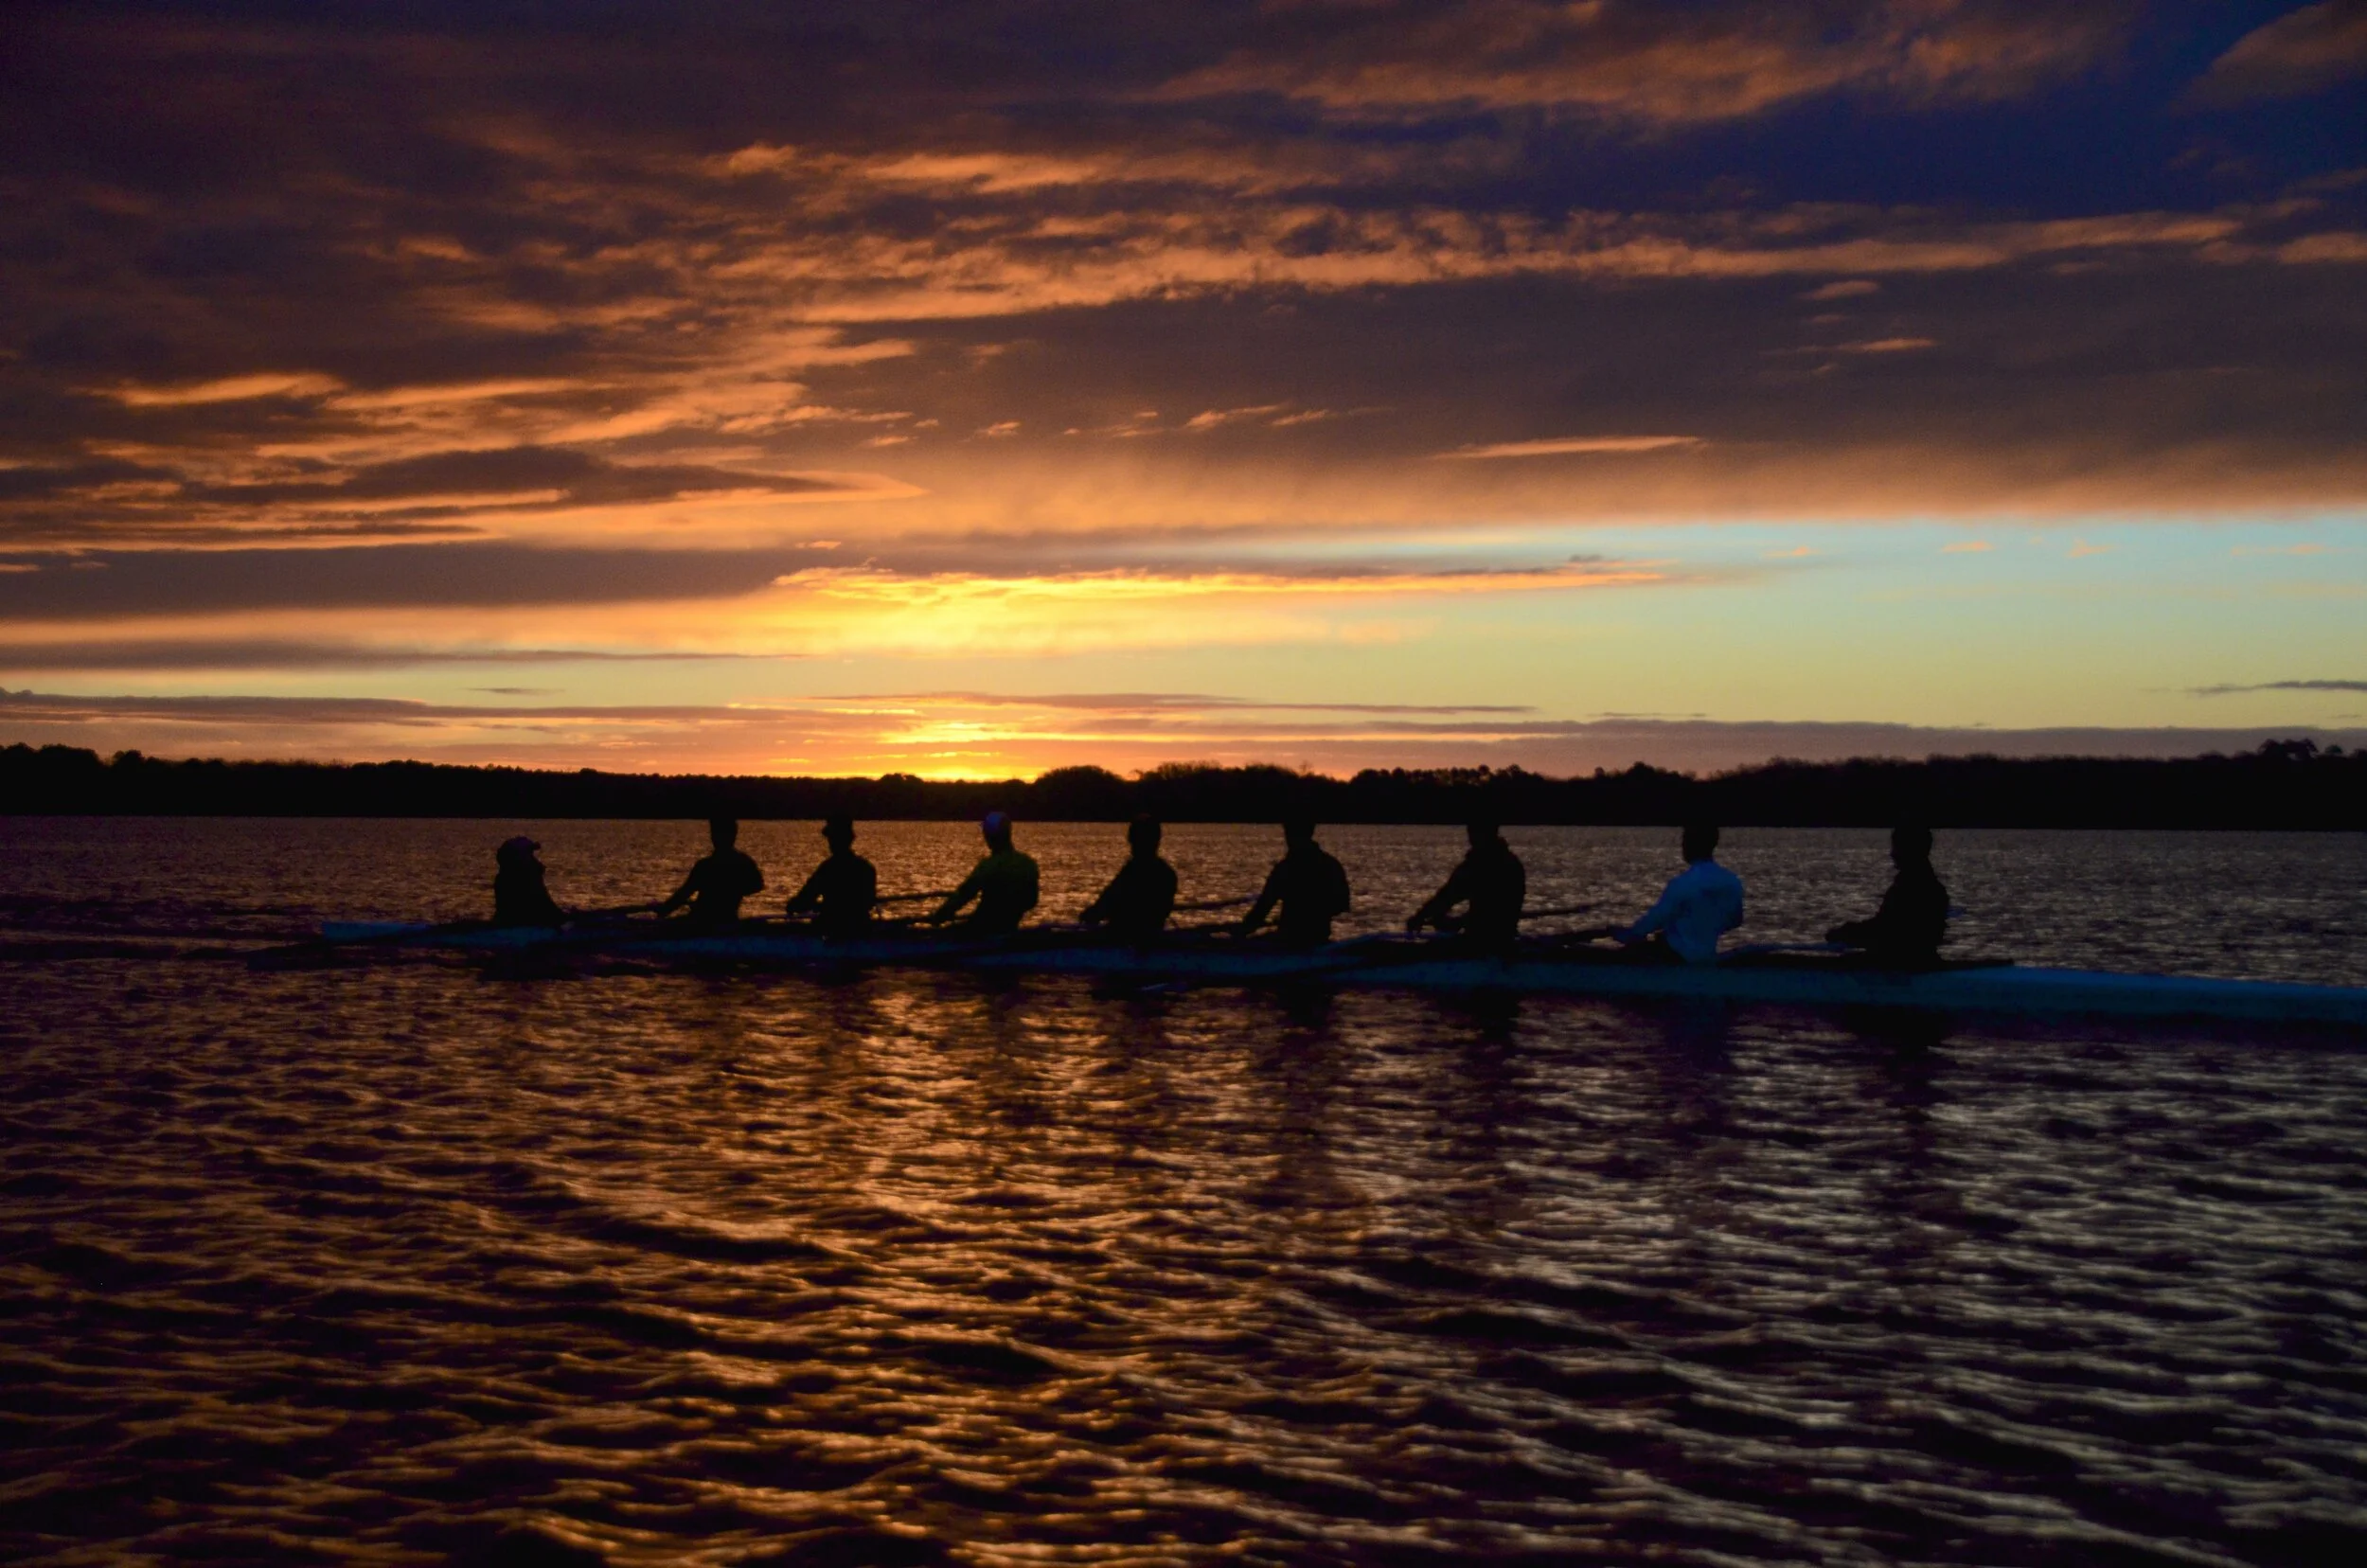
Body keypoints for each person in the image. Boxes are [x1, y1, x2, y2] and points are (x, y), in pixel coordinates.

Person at [1614, 823, 1743, 965]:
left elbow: (1654, 920)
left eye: (1684, 841)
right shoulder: (1732, 882)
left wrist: (1625, 935)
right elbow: (1735, 920)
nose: (1682, 846)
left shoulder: (1683, 883)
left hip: (1673, 956)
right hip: (1706, 954)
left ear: (1689, 844)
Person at [1826, 826, 1949, 967]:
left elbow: (1886, 931)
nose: (1892, 854)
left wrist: (1846, 933)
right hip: (1917, 960)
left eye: (1897, 848)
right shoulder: (1929, 887)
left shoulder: (1913, 890)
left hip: (1902, 962)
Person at [1407, 820, 1526, 948]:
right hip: (1504, 937)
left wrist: (1421, 917)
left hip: (1483, 940)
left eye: (1474, 832)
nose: (1471, 838)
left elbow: (1448, 896)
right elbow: (1450, 896)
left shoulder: (1478, 865)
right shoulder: (1512, 862)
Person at [1238, 819, 1351, 948]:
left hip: (1290, 939)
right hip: (1318, 938)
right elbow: (1342, 905)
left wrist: (1241, 932)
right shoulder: (1331, 864)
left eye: (1290, 833)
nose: (1288, 839)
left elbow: (1263, 907)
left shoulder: (1285, 868)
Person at [931, 811, 1040, 935]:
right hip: (1010, 926)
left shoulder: (988, 865)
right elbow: (1032, 900)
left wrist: (940, 915)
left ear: (989, 836)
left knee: (944, 934)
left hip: (982, 928)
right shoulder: (1028, 863)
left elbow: (965, 894)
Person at [1079, 815, 1179, 942]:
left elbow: (1110, 900)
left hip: (1126, 936)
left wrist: (1093, 914)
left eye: (1135, 840)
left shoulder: (1133, 872)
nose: (1132, 846)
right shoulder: (1167, 874)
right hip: (1147, 934)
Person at [657, 816, 765, 928]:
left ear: (732, 835)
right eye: (715, 833)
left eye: (719, 833)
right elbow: (757, 885)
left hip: (703, 921)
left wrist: (664, 910)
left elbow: (685, 893)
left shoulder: (706, 866)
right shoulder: (743, 862)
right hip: (725, 920)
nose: (715, 838)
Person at [783, 815, 878, 939]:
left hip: (832, 930)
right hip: (861, 926)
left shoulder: (828, 868)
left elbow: (805, 899)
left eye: (831, 838)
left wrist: (793, 905)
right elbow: (868, 902)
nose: (830, 842)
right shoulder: (866, 867)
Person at [491, 835, 566, 927]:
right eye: (529, 855)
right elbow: (546, 908)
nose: (536, 861)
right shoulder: (527, 881)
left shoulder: (504, 880)